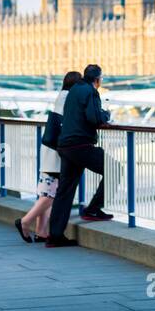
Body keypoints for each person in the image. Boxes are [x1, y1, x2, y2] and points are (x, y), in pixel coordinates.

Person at [45, 63, 113, 246]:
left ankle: (55, 236)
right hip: (81, 145)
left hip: (65, 145)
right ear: (97, 80)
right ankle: (93, 209)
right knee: (114, 169)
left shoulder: (74, 90)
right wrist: (106, 115)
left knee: (64, 191)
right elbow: (94, 117)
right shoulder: (91, 92)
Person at [15, 71, 82, 244]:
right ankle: (25, 221)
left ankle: (41, 231)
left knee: (46, 191)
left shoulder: (61, 96)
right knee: (52, 194)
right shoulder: (70, 99)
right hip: (57, 154)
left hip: (49, 151)